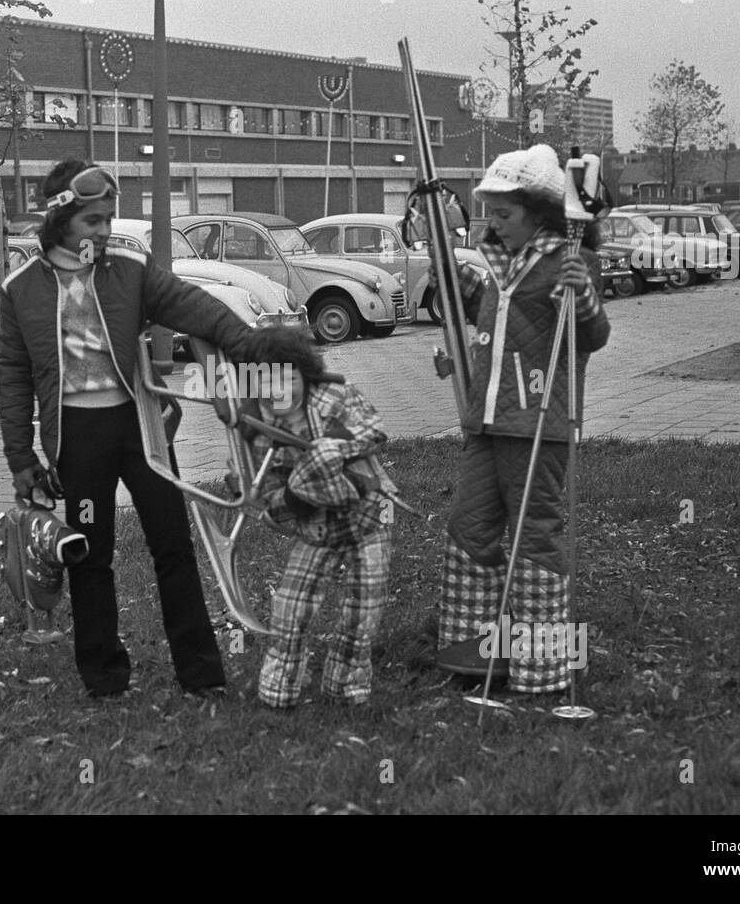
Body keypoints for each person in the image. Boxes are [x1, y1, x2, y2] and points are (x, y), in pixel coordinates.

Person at [0, 158, 306, 699]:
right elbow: (14, 376)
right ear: (59, 218)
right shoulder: (20, 288)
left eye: (109, 219)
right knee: (90, 552)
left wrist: (248, 346)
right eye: (92, 221)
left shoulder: (130, 268)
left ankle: (202, 672)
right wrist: (22, 459)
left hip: (141, 425)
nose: (104, 231)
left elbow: (193, 306)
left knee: (173, 543)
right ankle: (104, 677)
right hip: (77, 438)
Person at [433, 144, 610, 696]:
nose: (494, 223)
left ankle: (543, 662)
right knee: (469, 528)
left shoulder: (568, 261)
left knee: (535, 538)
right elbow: (492, 316)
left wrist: (582, 299)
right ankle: (476, 652)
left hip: (538, 423)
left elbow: (594, 337)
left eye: (504, 214)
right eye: (489, 213)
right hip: (485, 422)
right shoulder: (496, 265)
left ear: (538, 212)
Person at [244, 338, 395, 708]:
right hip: (316, 527)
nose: (278, 387)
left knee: (364, 608)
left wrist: (334, 447)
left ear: (306, 376)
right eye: (267, 379)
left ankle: (345, 687)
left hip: (369, 516)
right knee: (290, 608)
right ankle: (279, 690)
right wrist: (293, 500)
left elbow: (373, 429)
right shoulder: (257, 430)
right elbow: (263, 493)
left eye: (288, 377)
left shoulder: (334, 397)